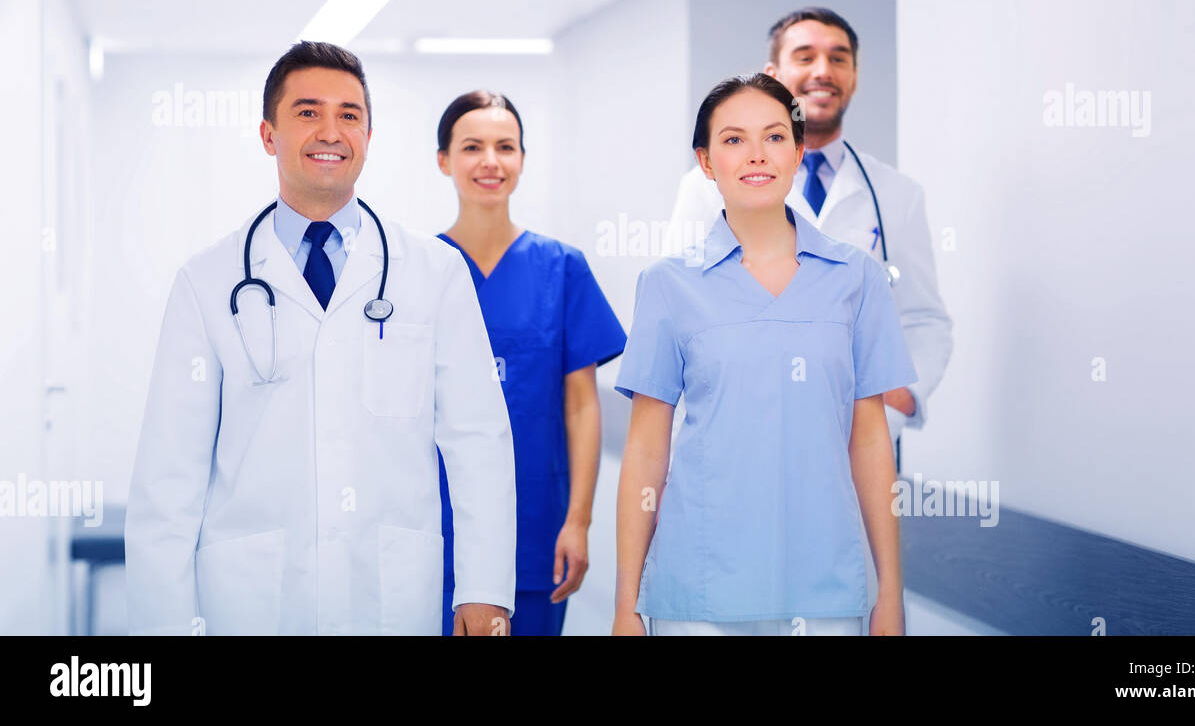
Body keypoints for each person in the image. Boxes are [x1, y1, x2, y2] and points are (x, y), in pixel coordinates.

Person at [125, 42, 516, 636]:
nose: (330, 130)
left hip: (389, 593)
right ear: (268, 134)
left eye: (349, 114)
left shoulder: (434, 272)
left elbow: (478, 439)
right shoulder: (207, 282)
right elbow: (167, 479)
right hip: (249, 599)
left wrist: (485, 589)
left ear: (368, 133)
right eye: (307, 112)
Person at [613, 73, 917, 636]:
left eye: (775, 137)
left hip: (825, 587)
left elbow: (870, 439)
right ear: (706, 163)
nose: (756, 154)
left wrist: (890, 594)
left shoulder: (857, 278)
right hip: (698, 586)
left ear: (798, 153)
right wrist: (626, 606)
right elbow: (645, 449)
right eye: (733, 140)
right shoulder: (667, 284)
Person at [668, 7, 952, 467]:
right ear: (773, 75)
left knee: (867, 540)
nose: (824, 71)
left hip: (860, 444)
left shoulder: (897, 194)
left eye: (839, 58)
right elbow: (679, 320)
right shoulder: (704, 187)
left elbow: (924, 319)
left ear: (855, 76)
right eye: (805, 57)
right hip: (739, 440)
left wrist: (901, 398)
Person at [434, 91, 626, 636]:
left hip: (537, 526)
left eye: (505, 147)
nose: (490, 161)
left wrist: (579, 521)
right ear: (444, 160)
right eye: (472, 147)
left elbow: (583, 408)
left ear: (521, 159)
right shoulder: (420, 271)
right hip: (438, 528)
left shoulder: (561, 268)